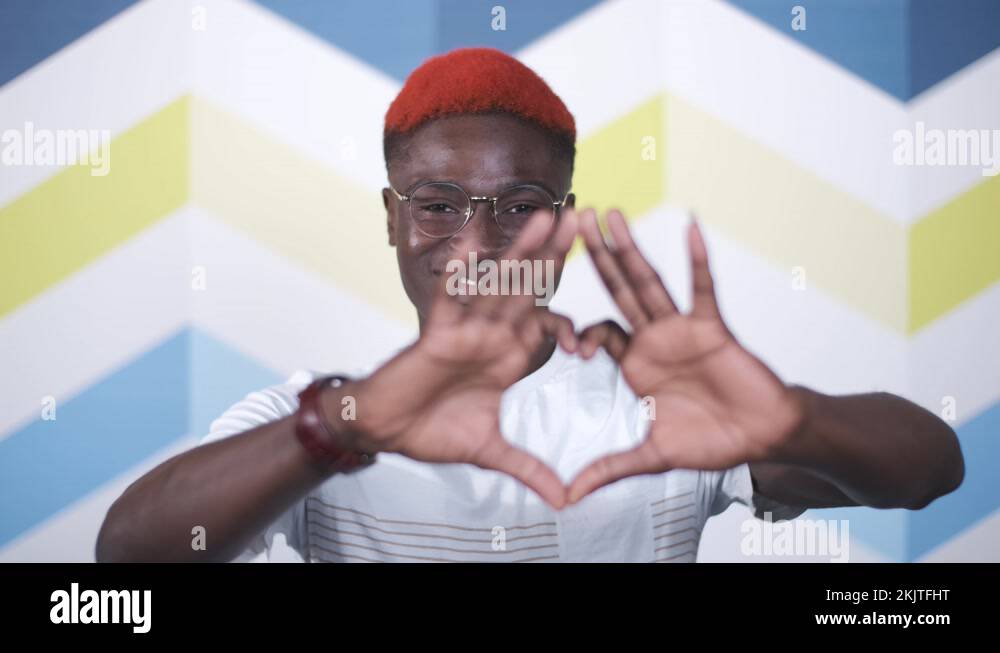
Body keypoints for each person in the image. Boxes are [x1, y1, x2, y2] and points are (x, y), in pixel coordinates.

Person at [96, 48, 964, 563]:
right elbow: (129, 555)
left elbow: (929, 470)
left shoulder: (661, 408)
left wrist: (779, 415)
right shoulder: (316, 414)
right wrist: (345, 424)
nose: (476, 245)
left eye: (519, 206)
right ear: (393, 221)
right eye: (437, 203)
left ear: (565, 220)